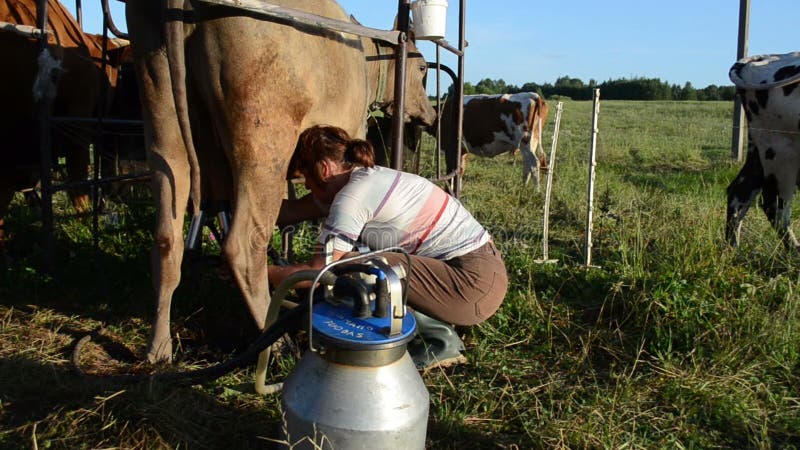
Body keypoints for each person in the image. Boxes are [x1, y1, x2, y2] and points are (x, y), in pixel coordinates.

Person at [269, 124, 508, 369]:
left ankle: (439, 341)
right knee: (359, 260)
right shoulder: (363, 180)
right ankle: (425, 322)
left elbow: (316, 273)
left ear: (324, 168)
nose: (307, 186)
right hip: (479, 272)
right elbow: (290, 212)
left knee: (358, 268)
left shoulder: (354, 197)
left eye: (305, 178)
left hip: (473, 285)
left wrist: (258, 272)